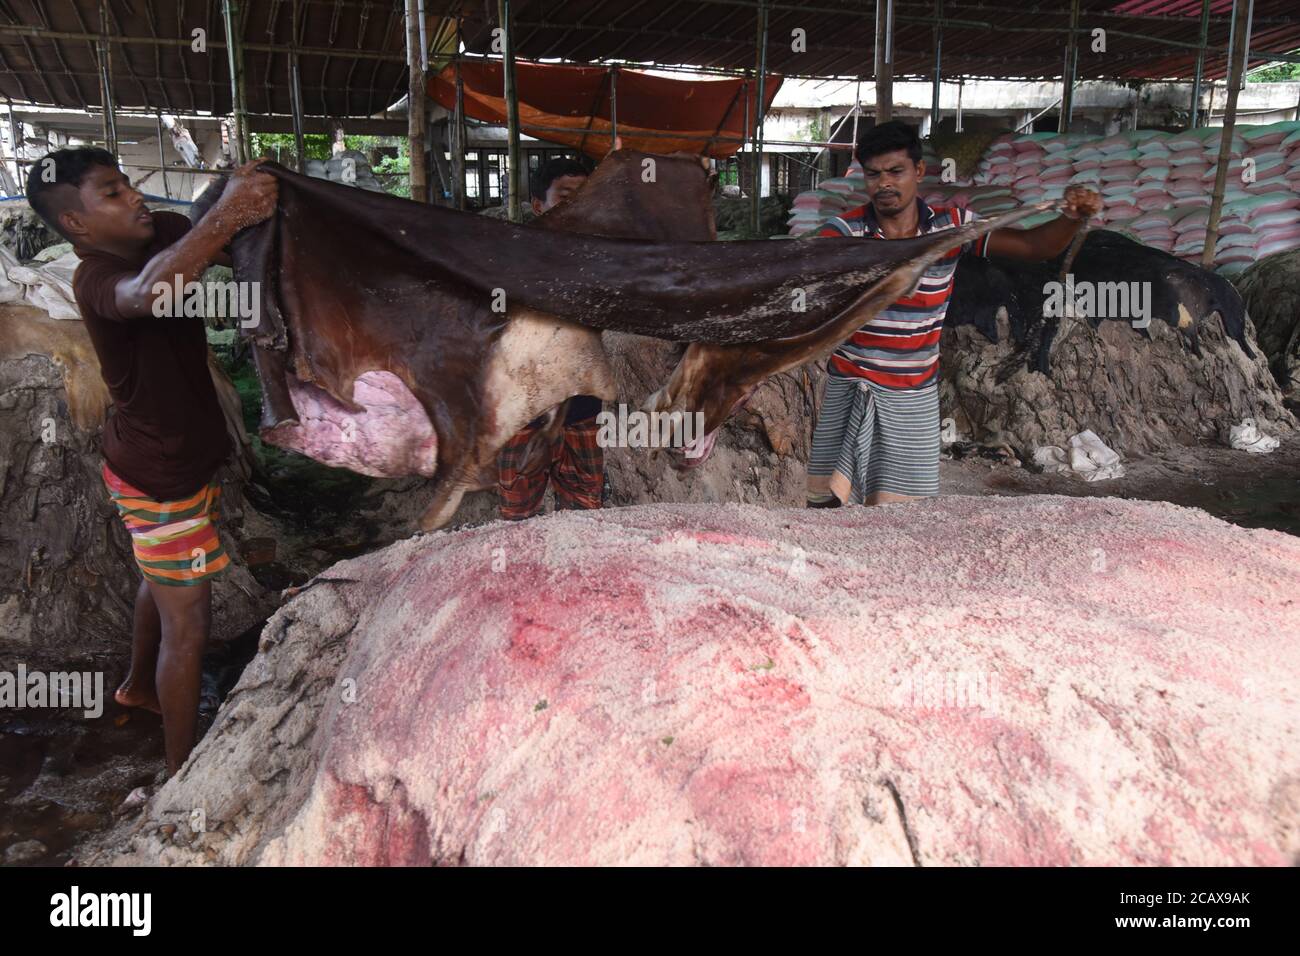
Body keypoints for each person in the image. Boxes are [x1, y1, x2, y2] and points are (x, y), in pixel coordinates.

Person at [26, 148, 277, 774]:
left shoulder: (163, 234)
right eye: (111, 193)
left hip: (182, 460)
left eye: (128, 183)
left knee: (159, 581)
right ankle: (179, 775)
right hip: (157, 479)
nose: (134, 195)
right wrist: (223, 219)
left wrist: (235, 197)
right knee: (187, 627)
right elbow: (147, 291)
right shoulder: (98, 277)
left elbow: (214, 242)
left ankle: (138, 688)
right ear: (77, 226)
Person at [807, 121, 1103, 508]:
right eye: (874, 174)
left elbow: (1033, 246)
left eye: (895, 171)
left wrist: (1072, 218)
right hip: (850, 389)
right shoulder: (843, 234)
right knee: (827, 510)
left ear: (919, 172)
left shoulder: (951, 227)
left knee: (905, 516)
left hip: (913, 397)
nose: (884, 184)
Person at [496, 157, 606, 519]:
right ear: (538, 205)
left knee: (584, 512)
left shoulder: (601, 262)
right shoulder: (511, 261)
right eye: (565, 195)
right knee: (517, 515)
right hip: (524, 413)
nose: (577, 205)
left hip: (582, 410)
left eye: (586, 196)